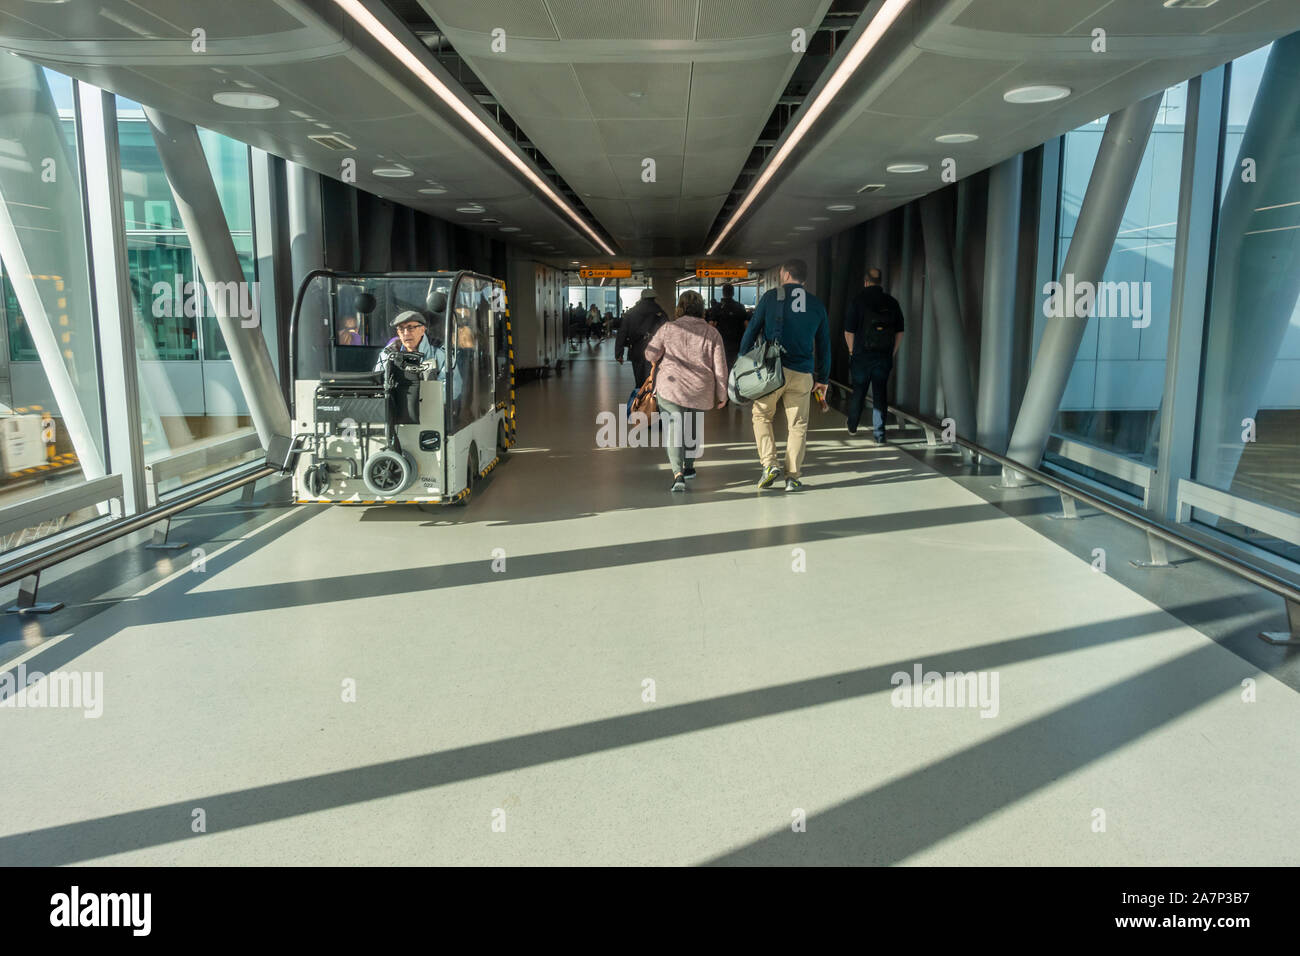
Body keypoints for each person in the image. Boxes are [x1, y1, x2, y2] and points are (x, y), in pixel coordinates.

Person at [737, 258, 830, 492]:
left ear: (786, 274)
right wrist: (823, 379)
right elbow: (825, 344)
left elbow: (752, 331)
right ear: (804, 279)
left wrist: (741, 361)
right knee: (798, 426)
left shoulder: (770, 298)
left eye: (781, 273)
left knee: (761, 417)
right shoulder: (817, 305)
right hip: (803, 373)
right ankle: (792, 477)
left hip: (771, 372)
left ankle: (769, 465)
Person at [643, 290, 728, 493]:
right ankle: (689, 467)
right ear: (701, 308)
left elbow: (650, 355)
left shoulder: (668, 328)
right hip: (700, 389)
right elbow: (720, 367)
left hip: (671, 388)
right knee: (692, 427)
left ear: (680, 307)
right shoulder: (712, 332)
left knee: (674, 428)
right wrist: (723, 394)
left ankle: (677, 474)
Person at [843, 266, 905, 443]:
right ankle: (879, 434)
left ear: (865, 282)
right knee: (880, 393)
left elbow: (848, 331)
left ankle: (853, 426)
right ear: (880, 282)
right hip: (883, 356)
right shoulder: (892, 302)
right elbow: (900, 331)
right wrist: (891, 352)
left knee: (859, 392)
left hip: (861, 355)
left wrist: (851, 351)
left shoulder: (858, 301)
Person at [614, 288, 669, 391]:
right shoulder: (660, 312)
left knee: (639, 381)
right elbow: (668, 332)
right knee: (653, 379)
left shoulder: (631, 312)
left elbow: (622, 333)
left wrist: (619, 353)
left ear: (642, 298)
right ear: (654, 298)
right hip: (655, 350)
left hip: (636, 350)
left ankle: (639, 401)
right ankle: (651, 402)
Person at [374, 309, 445, 380]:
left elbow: (447, 388)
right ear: (398, 333)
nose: (406, 333)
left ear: (422, 330)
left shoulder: (441, 357)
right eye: (401, 329)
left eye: (410, 328)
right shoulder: (386, 356)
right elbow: (377, 385)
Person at [708, 282, 748, 369]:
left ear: (723, 293)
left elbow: (711, 327)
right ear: (733, 293)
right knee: (736, 366)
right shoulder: (740, 307)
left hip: (721, 343)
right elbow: (746, 325)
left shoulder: (716, 308)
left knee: (721, 366)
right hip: (737, 343)